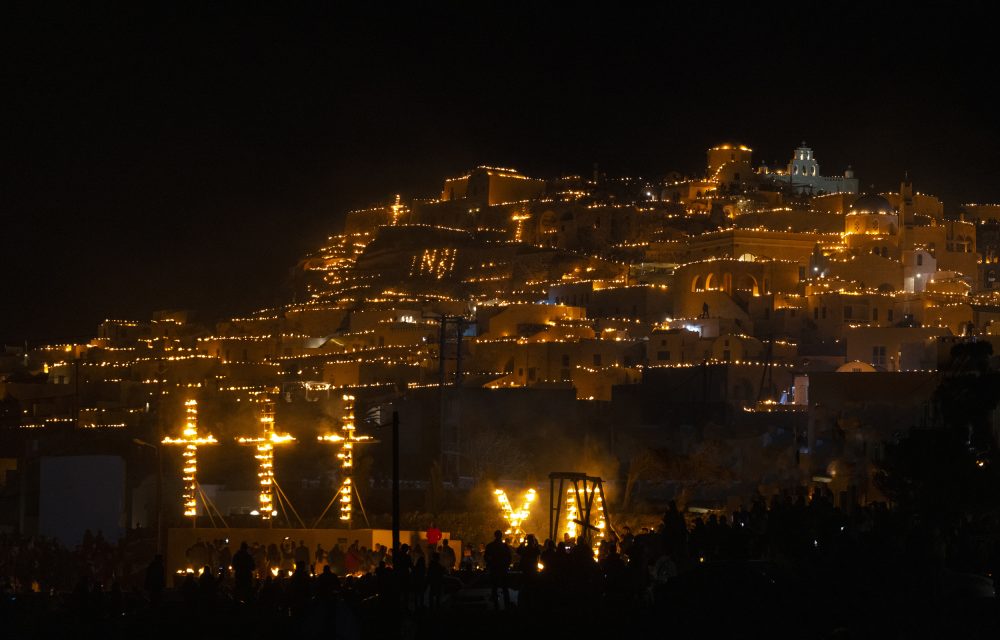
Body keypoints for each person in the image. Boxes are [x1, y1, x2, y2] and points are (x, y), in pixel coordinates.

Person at [484, 530, 512, 610]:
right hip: (502, 569)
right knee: (505, 587)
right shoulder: (504, 546)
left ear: (495, 535)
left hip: (494, 569)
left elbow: (486, 557)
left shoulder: (490, 546)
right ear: (501, 536)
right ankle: (507, 606)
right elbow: (509, 558)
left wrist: (490, 563)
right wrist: (506, 565)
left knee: (494, 587)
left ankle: (495, 606)